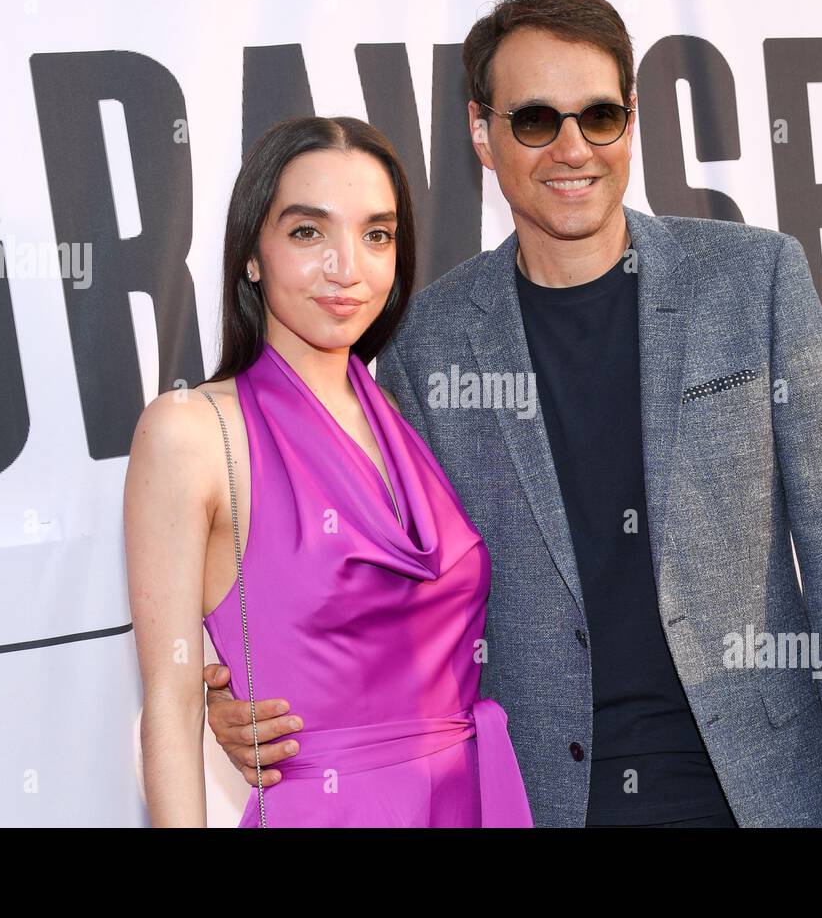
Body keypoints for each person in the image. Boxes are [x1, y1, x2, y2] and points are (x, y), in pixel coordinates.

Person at [206, 0, 822, 827]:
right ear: (482, 132)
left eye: (599, 116)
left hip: (762, 792)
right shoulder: (425, 342)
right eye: (537, 120)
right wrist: (232, 689)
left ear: (632, 117)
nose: (573, 148)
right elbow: (370, 596)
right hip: (542, 799)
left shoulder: (755, 281)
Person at [125, 115, 532, 827]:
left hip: (472, 798)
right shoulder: (192, 432)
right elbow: (172, 699)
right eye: (308, 232)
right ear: (252, 253)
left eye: (377, 234)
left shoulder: (412, 411)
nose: (348, 267)